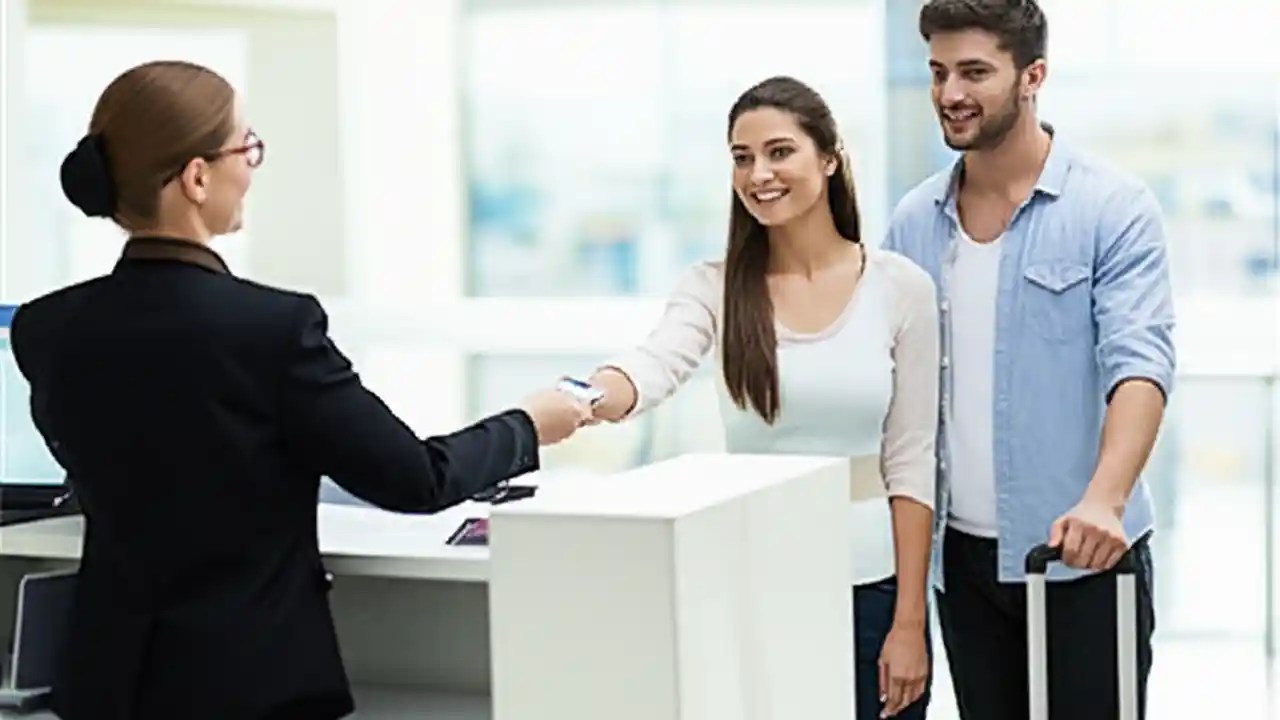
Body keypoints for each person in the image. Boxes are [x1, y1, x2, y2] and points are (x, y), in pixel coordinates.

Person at [9, 60, 591, 720]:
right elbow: (415, 479)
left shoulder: (45, 328)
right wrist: (529, 424)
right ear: (197, 177)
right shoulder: (272, 329)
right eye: (245, 146)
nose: (251, 167)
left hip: (106, 686)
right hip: (250, 689)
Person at [582, 76, 939, 719]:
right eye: (742, 158)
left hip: (873, 594)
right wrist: (585, 397)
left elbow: (911, 463)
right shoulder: (714, 286)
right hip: (752, 588)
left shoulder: (899, 288)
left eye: (779, 152)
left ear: (829, 159)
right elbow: (657, 362)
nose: (758, 174)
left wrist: (910, 621)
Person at [882, 2, 1175, 718]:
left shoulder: (1112, 207)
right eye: (939, 72)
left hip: (1084, 558)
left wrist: (1104, 499)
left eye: (975, 72)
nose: (951, 92)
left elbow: (1140, 365)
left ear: (1032, 76)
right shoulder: (914, 222)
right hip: (964, 569)